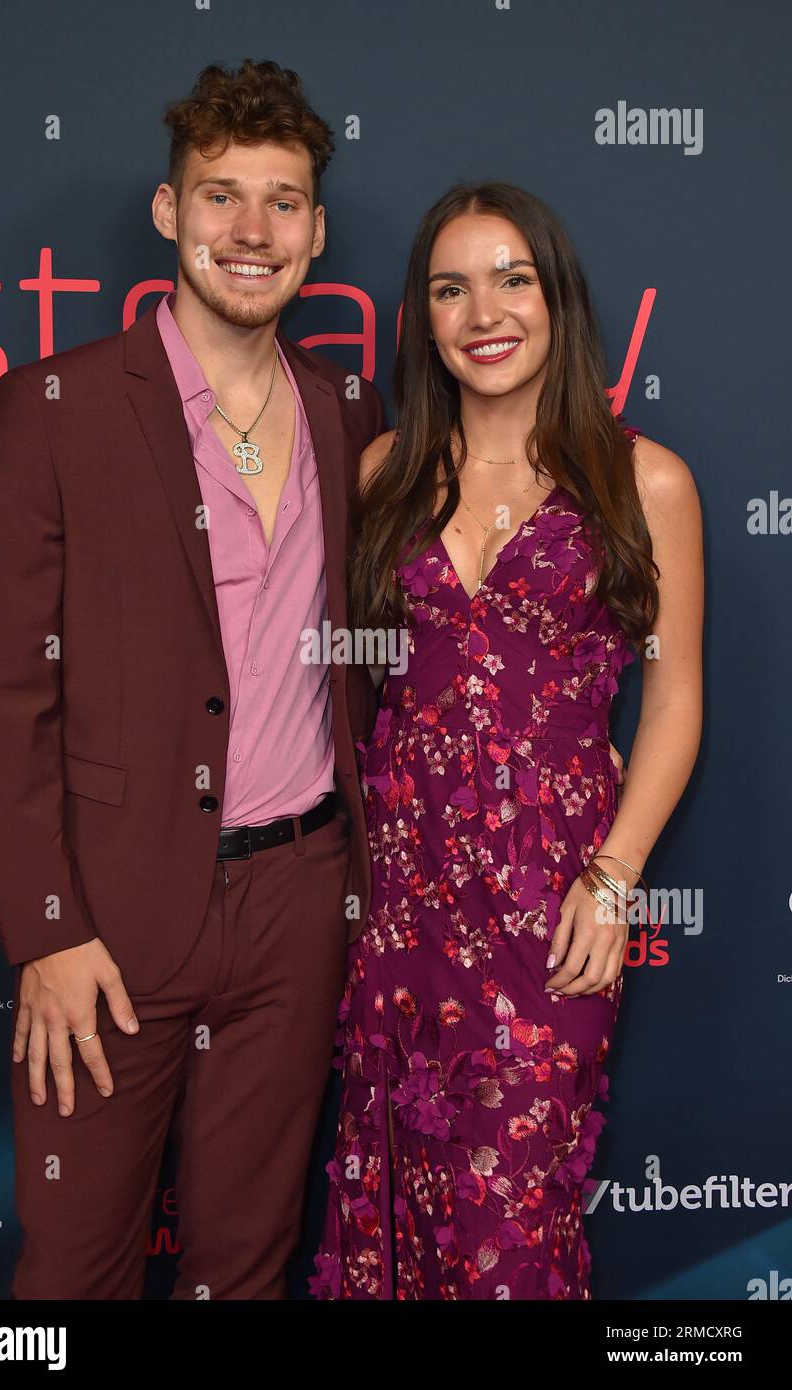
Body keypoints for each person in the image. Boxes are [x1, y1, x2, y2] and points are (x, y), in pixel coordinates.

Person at [0, 58, 383, 1300]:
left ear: (315, 228)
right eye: (220, 196)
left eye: (281, 201)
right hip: (108, 907)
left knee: (243, 1265)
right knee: (73, 1271)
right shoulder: (55, 406)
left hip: (301, 899)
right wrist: (47, 930)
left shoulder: (346, 413)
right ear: (169, 214)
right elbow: (6, 697)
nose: (250, 232)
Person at [310, 182, 703, 1300]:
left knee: (507, 1226)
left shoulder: (643, 479)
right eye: (451, 286)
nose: (483, 309)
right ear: (424, 318)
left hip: (552, 907)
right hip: (402, 901)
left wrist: (614, 877)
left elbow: (673, 704)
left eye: (510, 278)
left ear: (556, 298)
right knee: (395, 1201)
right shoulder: (382, 471)